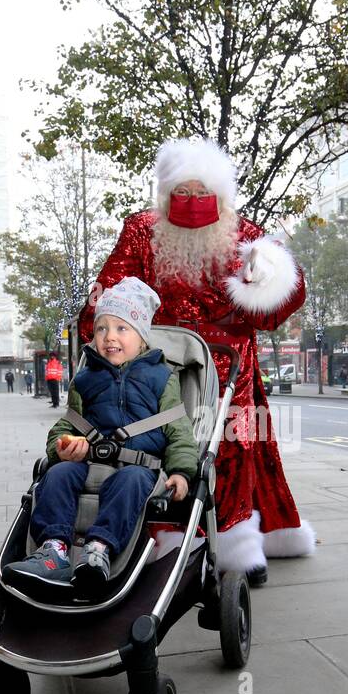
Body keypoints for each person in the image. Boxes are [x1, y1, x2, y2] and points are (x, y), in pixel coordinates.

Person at [79, 137, 315, 587]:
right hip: (158, 365)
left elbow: (277, 307)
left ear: (221, 196)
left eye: (200, 192)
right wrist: (103, 332)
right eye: (180, 193)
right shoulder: (141, 231)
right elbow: (110, 291)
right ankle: (163, 534)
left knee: (232, 446)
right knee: (154, 444)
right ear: (165, 194)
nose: (190, 204)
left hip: (229, 369)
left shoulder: (245, 237)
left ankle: (235, 544)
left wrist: (271, 277)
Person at [4, 278, 197, 597]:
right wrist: (62, 448)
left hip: (138, 468)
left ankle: (99, 549)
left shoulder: (161, 378)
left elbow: (178, 431)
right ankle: (53, 551)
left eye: (121, 328)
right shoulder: (85, 379)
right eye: (101, 329)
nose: (109, 337)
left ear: (141, 337)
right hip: (88, 463)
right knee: (57, 474)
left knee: (131, 481)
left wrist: (181, 472)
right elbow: (66, 427)